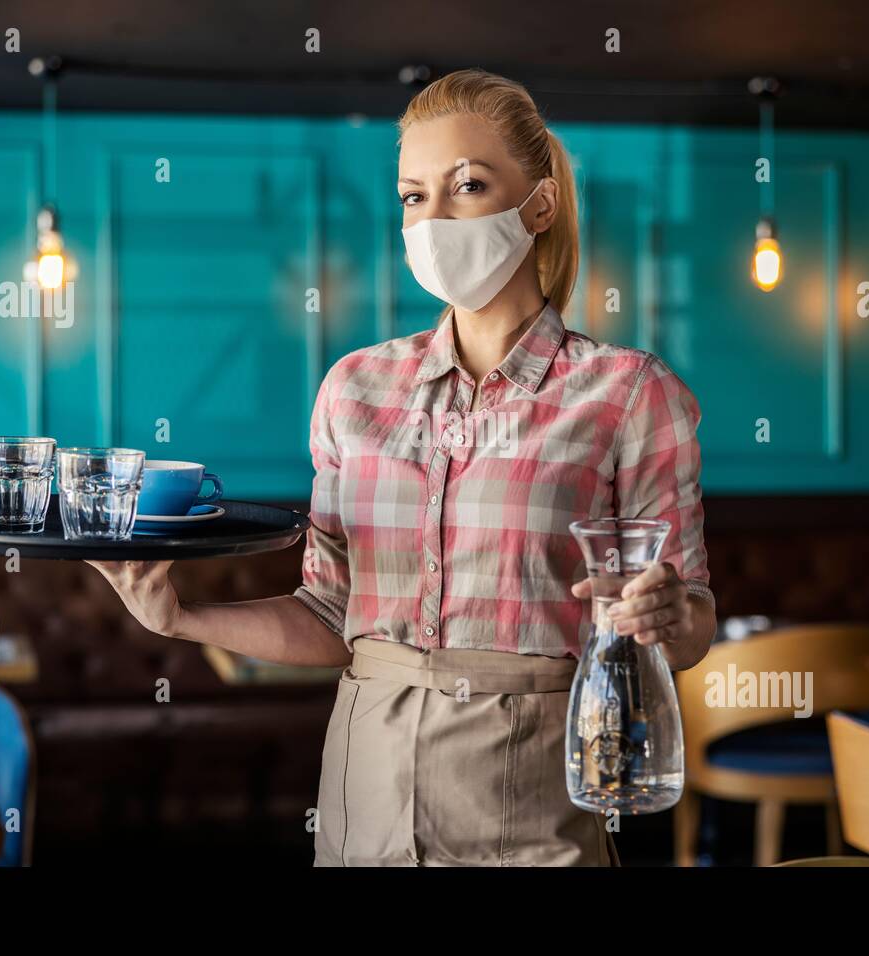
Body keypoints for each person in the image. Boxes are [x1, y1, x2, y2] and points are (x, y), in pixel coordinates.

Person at [89, 68, 716, 866]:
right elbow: (329, 613)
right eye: (414, 196)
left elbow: (691, 619)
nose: (435, 219)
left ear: (542, 204)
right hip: (365, 792)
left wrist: (669, 615)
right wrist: (178, 617)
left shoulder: (630, 392)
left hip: (532, 804)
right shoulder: (354, 389)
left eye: (469, 186)